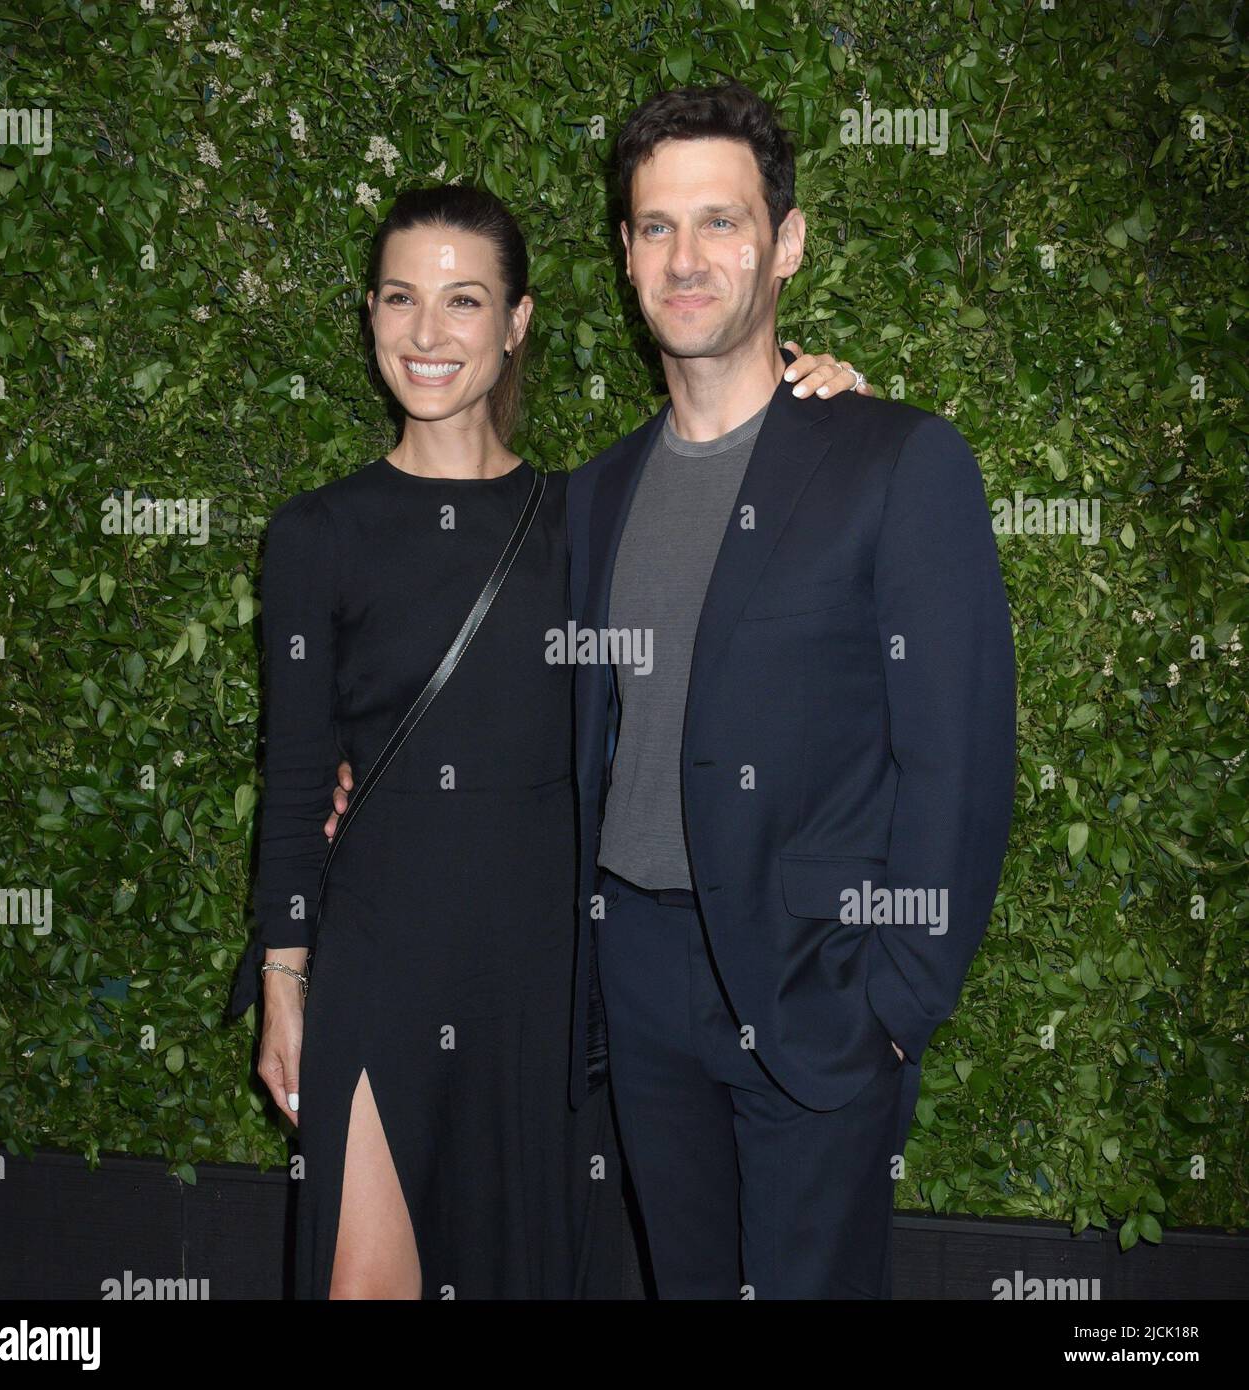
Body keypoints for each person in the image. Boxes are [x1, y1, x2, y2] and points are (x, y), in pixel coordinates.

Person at [229, 181, 871, 1298]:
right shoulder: (313, 535)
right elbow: (295, 783)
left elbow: (747, 523)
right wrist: (285, 984)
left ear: (515, 321)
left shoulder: (593, 517)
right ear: (370, 314)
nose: (427, 334)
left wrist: (826, 400)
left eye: (463, 301)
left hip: (549, 979)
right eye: (398, 298)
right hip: (377, 969)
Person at [561, 81, 1017, 1299]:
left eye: (722, 221)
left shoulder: (894, 457)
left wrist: (894, 1000)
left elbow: (958, 762)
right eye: (656, 226)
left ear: (788, 243)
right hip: (641, 976)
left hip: (819, 984)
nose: (688, 256)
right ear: (624, 255)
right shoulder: (594, 494)